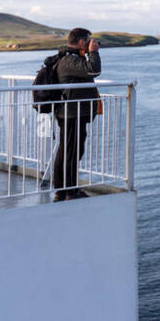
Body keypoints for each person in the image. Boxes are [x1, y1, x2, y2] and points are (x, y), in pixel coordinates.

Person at [50, 27, 101, 202]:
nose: (91, 44)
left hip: (73, 112)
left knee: (69, 151)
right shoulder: (69, 60)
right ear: (81, 42)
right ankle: (69, 191)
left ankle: (63, 190)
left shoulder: (71, 59)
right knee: (70, 152)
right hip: (71, 113)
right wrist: (93, 53)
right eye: (89, 40)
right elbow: (94, 69)